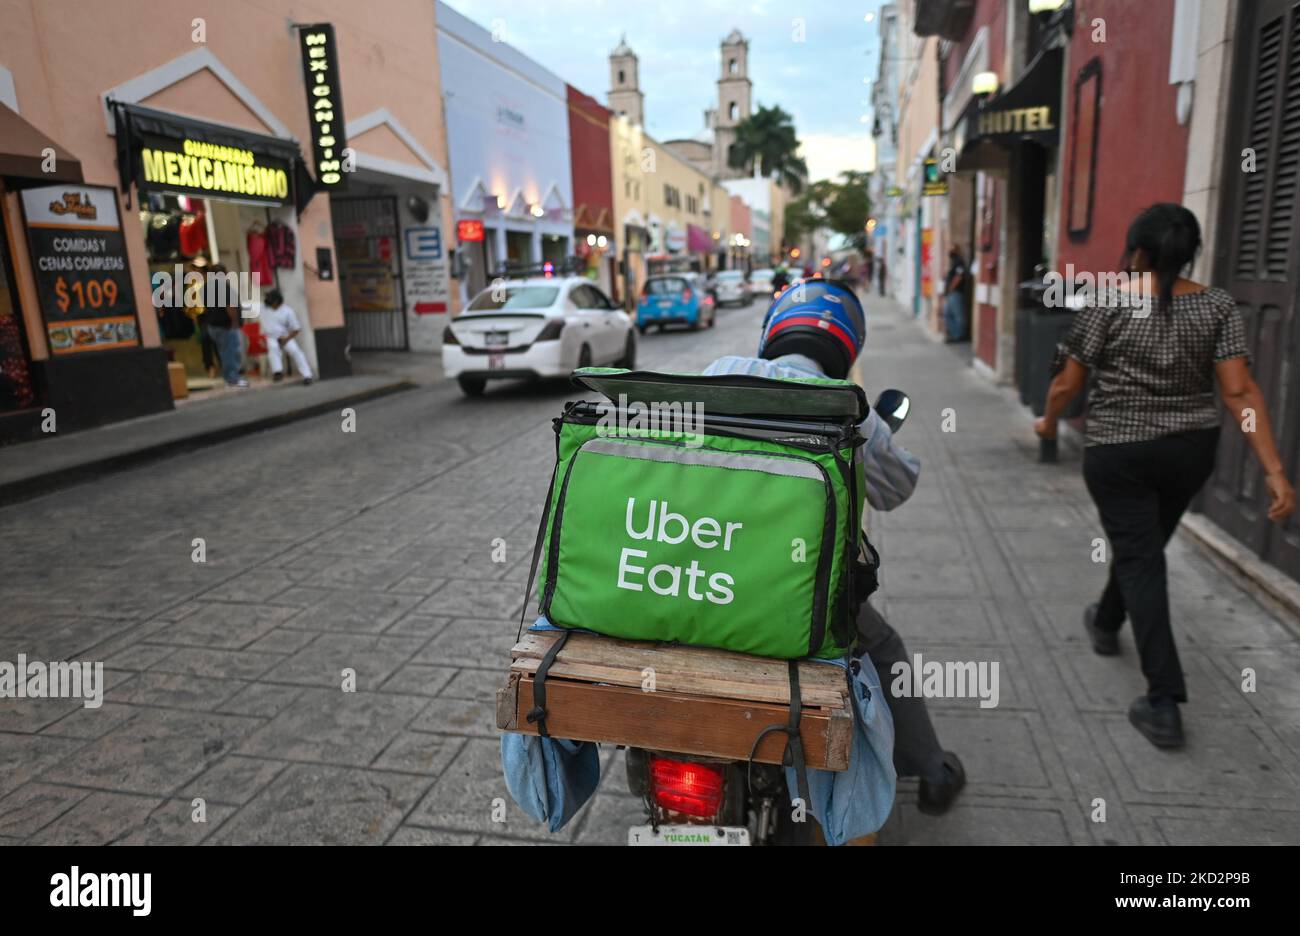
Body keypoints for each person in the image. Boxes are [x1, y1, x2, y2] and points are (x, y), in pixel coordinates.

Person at [1034, 203, 1295, 749]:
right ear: (1190, 252)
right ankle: (1106, 621)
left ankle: (1163, 700)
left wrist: (1050, 420)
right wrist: (1273, 469)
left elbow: (1066, 382)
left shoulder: (1109, 303)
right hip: (1188, 452)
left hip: (1119, 453)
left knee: (1139, 554)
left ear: (1138, 251)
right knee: (1142, 548)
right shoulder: (1218, 306)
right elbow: (1241, 393)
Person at [704, 278, 967, 814]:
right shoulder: (851, 407)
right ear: (848, 348)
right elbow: (897, 488)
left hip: (699, 570)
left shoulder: (718, 375)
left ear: (772, 332)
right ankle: (933, 768)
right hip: (801, 599)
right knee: (884, 646)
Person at [200, 265, 247, 388]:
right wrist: (235, 323)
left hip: (213, 326)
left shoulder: (205, 288)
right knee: (232, 352)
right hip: (226, 326)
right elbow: (229, 306)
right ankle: (232, 379)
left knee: (223, 352)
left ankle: (229, 378)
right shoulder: (223, 286)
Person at [260, 289, 314, 385]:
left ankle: (307, 375)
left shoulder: (287, 311)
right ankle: (278, 372)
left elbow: (296, 329)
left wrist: (287, 339)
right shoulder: (264, 308)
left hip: (285, 336)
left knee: (296, 351)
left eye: (271, 300)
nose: (269, 302)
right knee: (273, 348)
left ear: (277, 302)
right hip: (271, 336)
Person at [943, 247, 968, 342]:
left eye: (952, 248)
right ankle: (955, 335)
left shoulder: (959, 262)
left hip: (956, 293)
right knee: (947, 314)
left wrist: (951, 288)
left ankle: (960, 335)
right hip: (950, 294)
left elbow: (959, 276)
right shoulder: (953, 262)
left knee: (959, 316)